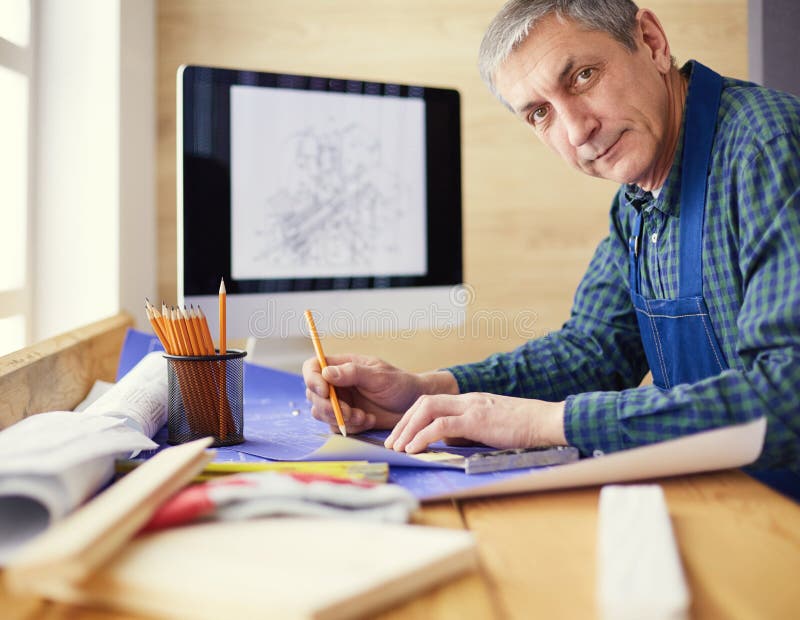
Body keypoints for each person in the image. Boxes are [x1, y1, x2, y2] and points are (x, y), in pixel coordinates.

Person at [302, 0, 800, 493]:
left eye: (583, 76)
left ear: (651, 42)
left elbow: (787, 397)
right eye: (541, 113)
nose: (578, 130)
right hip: (732, 500)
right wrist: (427, 390)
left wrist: (547, 424)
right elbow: (595, 351)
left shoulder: (769, 149)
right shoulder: (636, 198)